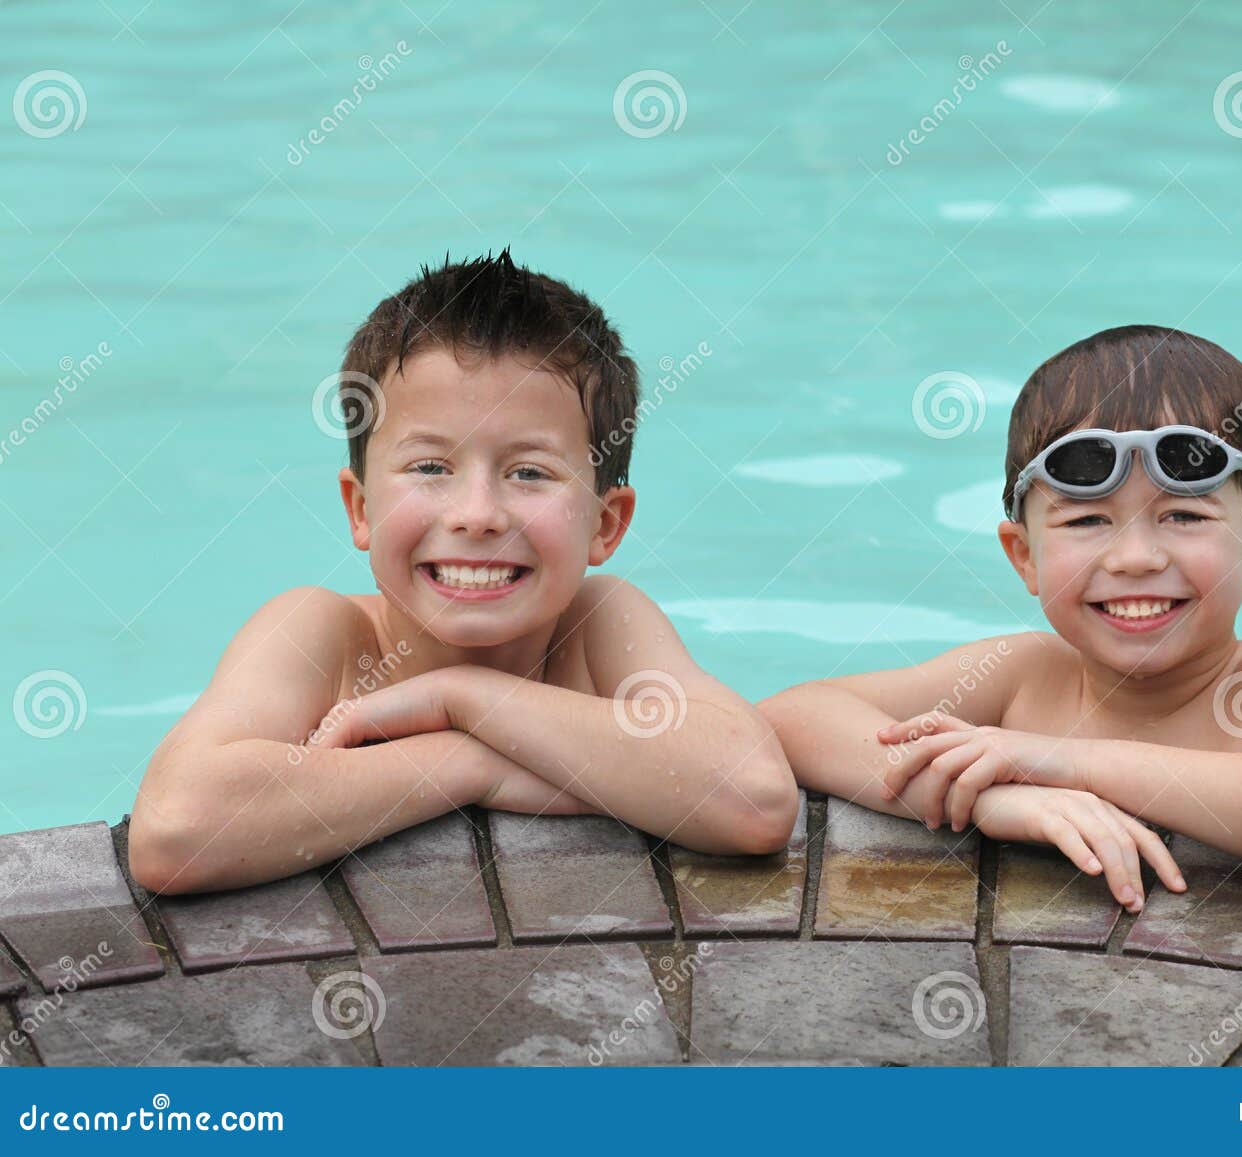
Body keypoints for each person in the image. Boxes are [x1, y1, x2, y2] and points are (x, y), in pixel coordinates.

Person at [130, 250, 797, 894]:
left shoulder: (599, 625)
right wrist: (473, 762)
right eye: (430, 467)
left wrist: (463, 696)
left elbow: (756, 800)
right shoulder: (323, 634)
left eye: (529, 472)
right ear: (360, 509)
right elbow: (174, 830)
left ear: (605, 524)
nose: (477, 514)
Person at [761, 324, 1242, 913]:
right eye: (1087, 520)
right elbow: (791, 720)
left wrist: (1065, 762)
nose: (1135, 557)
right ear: (1025, 557)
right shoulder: (1022, 676)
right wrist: (995, 800)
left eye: (1184, 515)